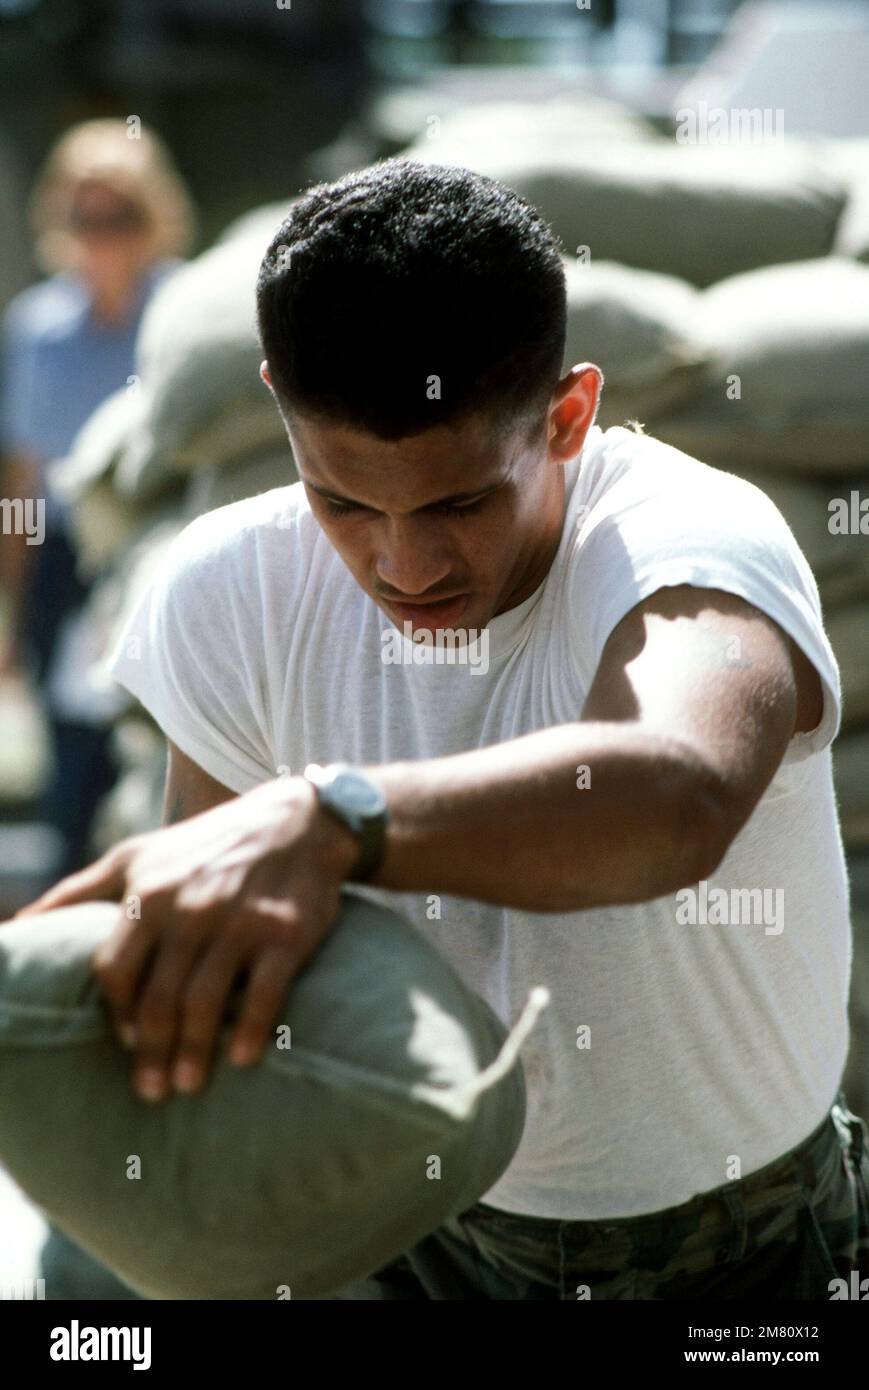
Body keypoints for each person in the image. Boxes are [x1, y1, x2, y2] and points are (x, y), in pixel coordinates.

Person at [22, 158, 868, 1299]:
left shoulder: (692, 540)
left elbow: (676, 794)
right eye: (345, 503)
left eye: (459, 503)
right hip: (403, 1233)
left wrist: (331, 820)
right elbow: (213, 964)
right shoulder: (228, 589)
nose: (403, 565)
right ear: (278, 405)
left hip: (745, 1254)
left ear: (566, 415)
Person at [0, 117, 195, 880]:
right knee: (70, 769)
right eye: (85, 218)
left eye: (120, 217)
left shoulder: (183, 314)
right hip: (63, 568)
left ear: (151, 218)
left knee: (152, 750)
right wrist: (12, 612)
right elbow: (24, 480)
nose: (101, 235)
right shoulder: (38, 329)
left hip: (154, 559)